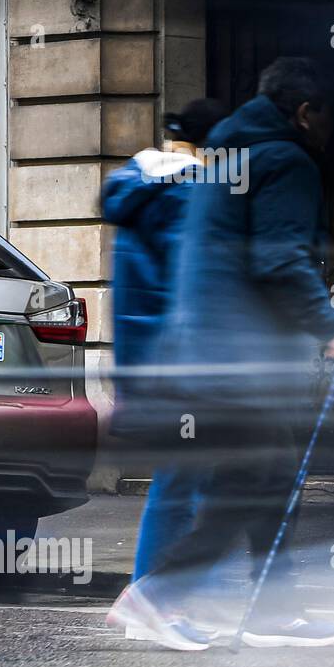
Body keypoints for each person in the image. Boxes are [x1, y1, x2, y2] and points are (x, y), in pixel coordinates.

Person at [107, 58, 334, 651]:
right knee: (240, 485)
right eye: (330, 117)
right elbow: (275, 259)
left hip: (202, 356)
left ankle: (269, 608)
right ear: (305, 113)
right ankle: (157, 596)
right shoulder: (285, 161)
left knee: (263, 480)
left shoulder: (225, 155)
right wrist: (331, 326)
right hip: (234, 361)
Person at [101, 99, 229, 601]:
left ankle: (174, 594)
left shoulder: (142, 186)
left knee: (184, 482)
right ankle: (155, 597)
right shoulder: (188, 192)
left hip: (150, 363)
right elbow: (196, 289)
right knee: (188, 483)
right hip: (185, 366)